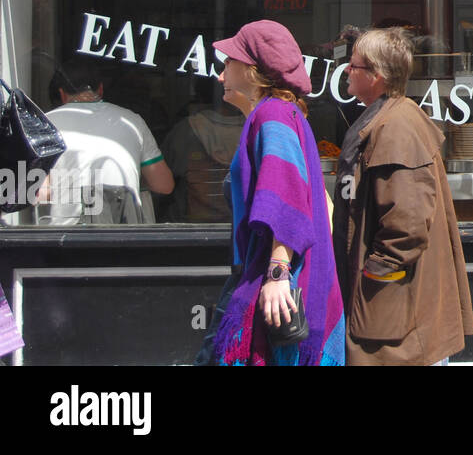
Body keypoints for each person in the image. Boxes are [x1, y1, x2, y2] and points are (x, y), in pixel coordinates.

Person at [205, 20, 345, 366]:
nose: (221, 74)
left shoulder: (272, 117)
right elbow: (323, 206)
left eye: (229, 62)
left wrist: (278, 274)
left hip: (275, 283)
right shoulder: (281, 114)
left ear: (253, 71)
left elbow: (287, 203)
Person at [333, 26, 473, 365]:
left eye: (355, 66)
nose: (347, 71)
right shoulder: (391, 117)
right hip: (394, 319)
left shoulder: (395, 128)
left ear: (377, 76)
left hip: (399, 327)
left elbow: (407, 225)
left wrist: (373, 277)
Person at [38, 56, 174, 225]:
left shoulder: (44, 124)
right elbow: (164, 185)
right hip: (122, 237)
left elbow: (41, 194)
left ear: (62, 94)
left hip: (66, 237)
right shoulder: (132, 121)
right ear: (100, 89)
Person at [161, 79, 244, 222]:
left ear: (199, 96)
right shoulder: (256, 129)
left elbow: (161, 186)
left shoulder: (185, 130)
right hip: (240, 227)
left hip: (190, 228)